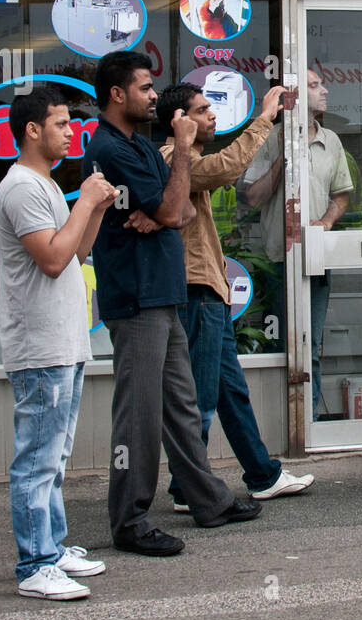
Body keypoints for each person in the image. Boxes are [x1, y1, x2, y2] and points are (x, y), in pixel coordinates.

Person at [83, 51, 260, 558]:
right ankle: (130, 520)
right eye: (144, 87)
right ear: (117, 95)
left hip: (165, 291)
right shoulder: (109, 148)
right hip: (136, 296)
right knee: (138, 416)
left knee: (182, 405)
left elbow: (178, 211)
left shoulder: (137, 146)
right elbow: (169, 206)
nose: (155, 95)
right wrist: (180, 155)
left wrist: (165, 209)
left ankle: (208, 499)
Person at [150, 81, 315, 508]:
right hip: (196, 292)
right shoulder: (174, 157)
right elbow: (227, 167)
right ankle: (187, 486)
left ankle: (262, 475)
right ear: (179, 121)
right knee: (201, 398)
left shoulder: (187, 161)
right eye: (202, 110)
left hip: (211, 291)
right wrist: (264, 120)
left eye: (210, 108)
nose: (211, 115)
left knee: (229, 392)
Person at [0, 85, 118, 600]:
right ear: (32, 130)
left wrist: (95, 209)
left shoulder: (44, 185)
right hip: (39, 344)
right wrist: (86, 200)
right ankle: (35, 563)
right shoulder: (22, 187)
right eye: (62, 124)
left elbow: (76, 252)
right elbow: (49, 259)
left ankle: (53, 545)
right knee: (38, 455)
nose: (72, 133)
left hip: (64, 341)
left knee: (56, 452)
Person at [243, 68, 353, 414]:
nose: (325, 90)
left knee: (312, 345)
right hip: (278, 259)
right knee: (283, 343)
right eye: (315, 85)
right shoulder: (269, 138)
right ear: (295, 96)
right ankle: (280, 421)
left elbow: (342, 196)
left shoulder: (331, 140)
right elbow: (252, 198)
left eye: (321, 83)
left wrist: (325, 221)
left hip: (316, 259)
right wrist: (282, 158)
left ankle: (309, 420)